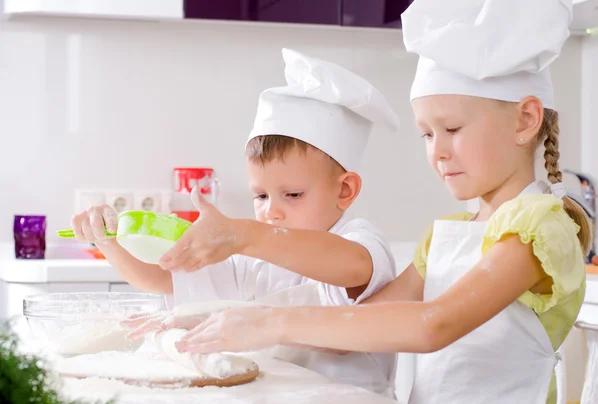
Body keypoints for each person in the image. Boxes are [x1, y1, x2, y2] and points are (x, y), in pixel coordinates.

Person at [158, 1, 589, 403]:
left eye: (452, 128)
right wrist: (221, 318)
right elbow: (362, 323)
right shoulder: (448, 233)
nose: (436, 150)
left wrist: (270, 321)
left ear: (526, 119)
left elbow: (433, 325)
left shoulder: (542, 227)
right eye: (427, 133)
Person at [71, 48, 402, 397]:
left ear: (345, 190)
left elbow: (352, 268)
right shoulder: (253, 260)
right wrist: (108, 242)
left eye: (292, 195)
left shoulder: (359, 240)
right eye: (261, 196)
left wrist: (247, 234)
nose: (271, 212)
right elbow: (164, 277)